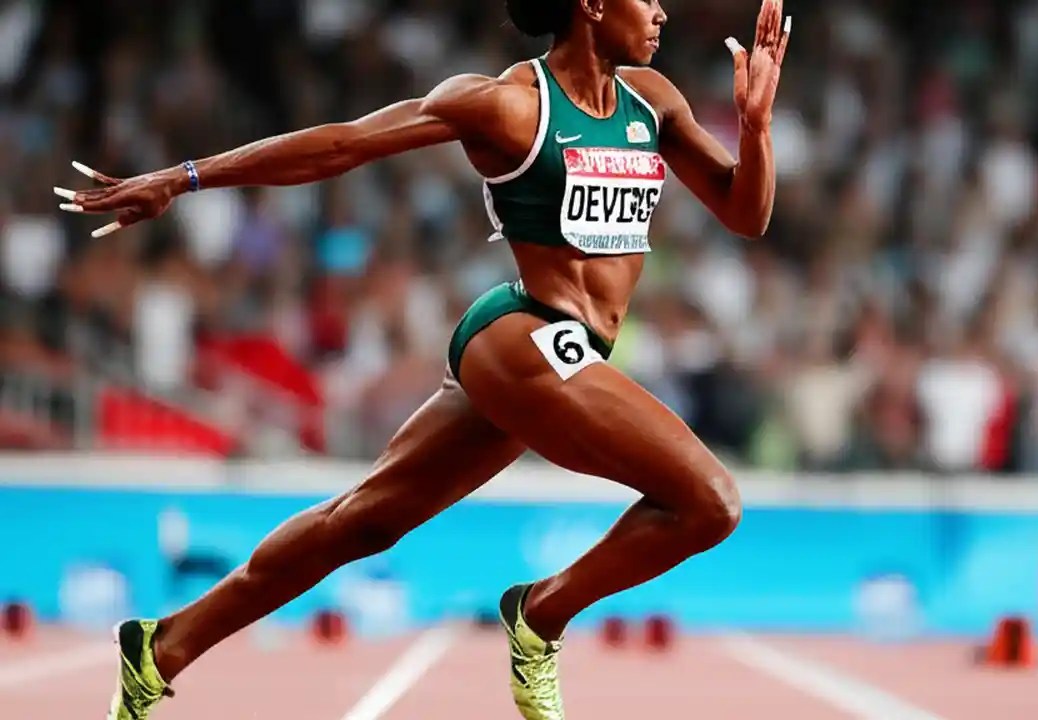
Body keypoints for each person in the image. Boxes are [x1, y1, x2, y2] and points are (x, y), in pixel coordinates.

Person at [56, 0, 791, 718]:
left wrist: (756, 129)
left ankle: (161, 646)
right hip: (523, 336)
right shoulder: (505, 106)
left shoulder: (652, 103)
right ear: (593, 5)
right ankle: (540, 615)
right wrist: (185, 178)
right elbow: (344, 143)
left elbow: (745, 213)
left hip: (563, 354)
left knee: (362, 523)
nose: (663, 12)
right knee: (710, 500)